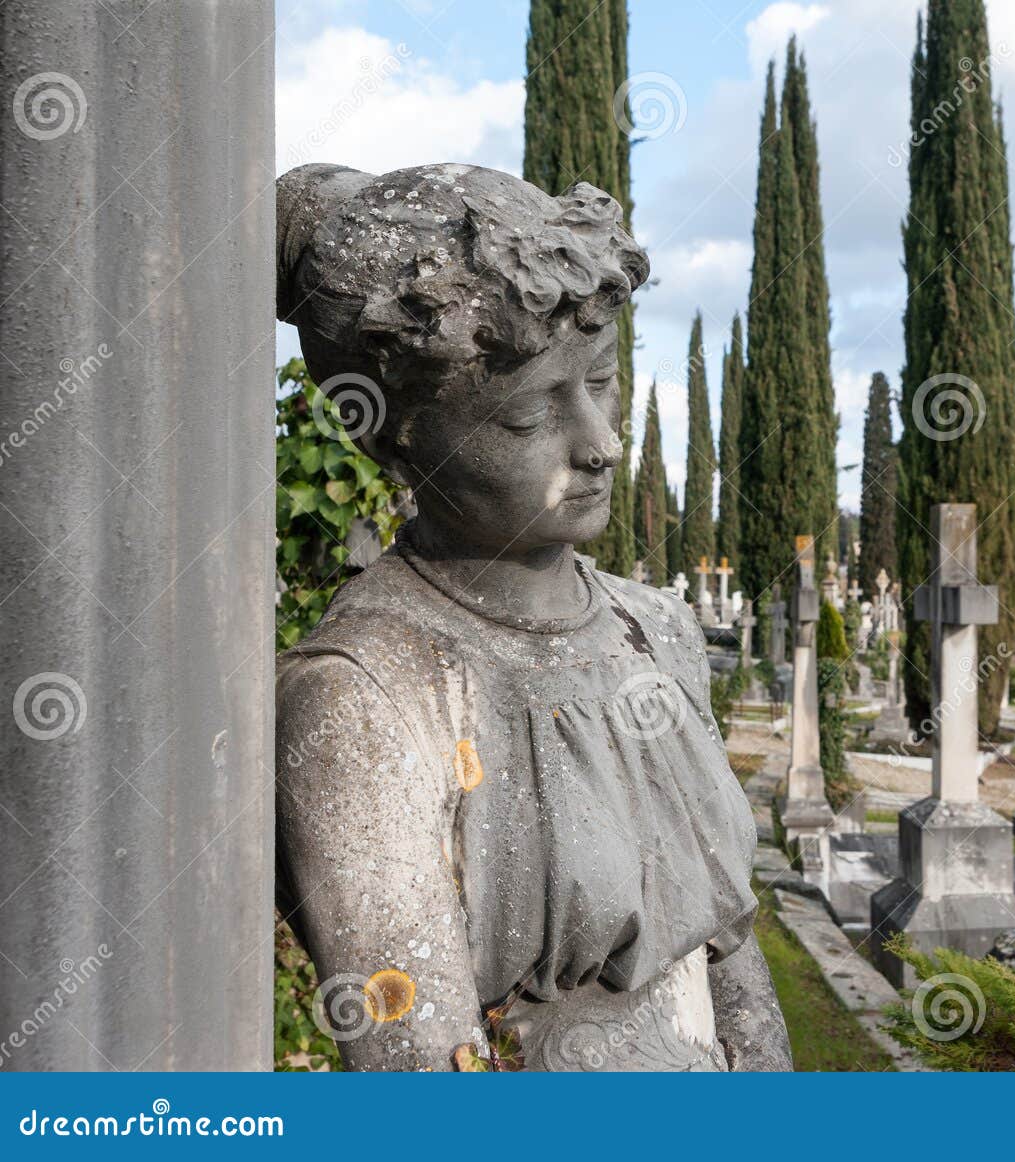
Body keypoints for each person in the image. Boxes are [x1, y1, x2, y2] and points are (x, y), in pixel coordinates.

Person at [273, 162, 791, 1071]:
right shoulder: (365, 699)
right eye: (526, 419)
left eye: (604, 380)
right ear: (393, 434)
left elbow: (731, 956)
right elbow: (422, 1066)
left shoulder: (656, 629)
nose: (601, 444)